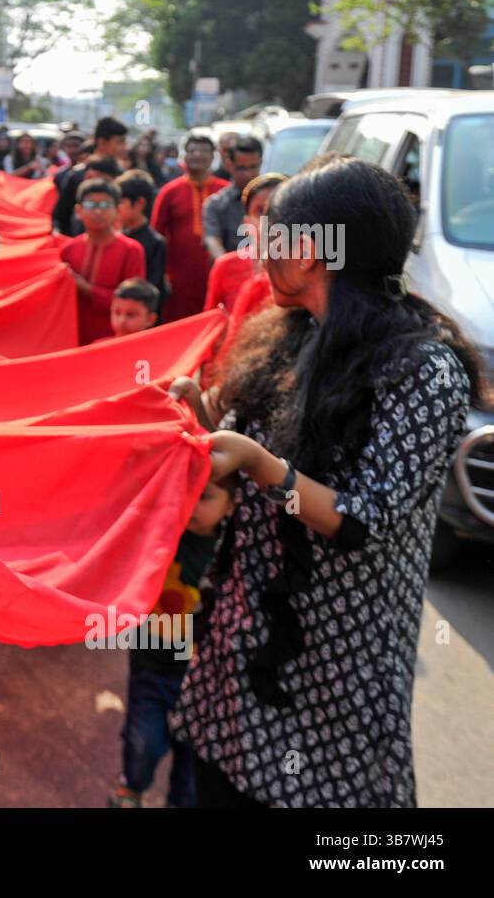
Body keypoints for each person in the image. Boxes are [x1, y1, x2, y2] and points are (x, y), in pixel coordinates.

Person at [168, 154, 485, 807]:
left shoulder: (424, 368)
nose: (258, 252)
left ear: (310, 250)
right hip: (238, 648)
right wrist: (198, 422)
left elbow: (360, 520)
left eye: (271, 236)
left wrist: (258, 463)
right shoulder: (287, 336)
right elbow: (230, 478)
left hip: (334, 677)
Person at [108, 472, 235, 808]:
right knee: (143, 742)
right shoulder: (166, 531)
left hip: (203, 680)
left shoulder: (232, 552)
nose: (192, 503)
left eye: (205, 497)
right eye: (188, 491)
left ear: (232, 504)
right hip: (152, 663)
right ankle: (131, 786)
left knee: (192, 764)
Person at [59, 178, 146, 346]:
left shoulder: (131, 250)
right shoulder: (67, 249)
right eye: (91, 205)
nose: (98, 212)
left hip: (113, 341)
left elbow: (133, 303)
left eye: (105, 205)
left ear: (118, 210)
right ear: (79, 211)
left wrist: (86, 288)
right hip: (71, 337)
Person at [150, 135, 227, 322]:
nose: (197, 155)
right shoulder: (169, 191)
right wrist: (162, 273)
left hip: (216, 271)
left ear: (213, 156)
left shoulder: (225, 191)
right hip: (178, 276)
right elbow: (156, 235)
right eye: (191, 151)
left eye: (203, 151)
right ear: (183, 156)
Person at [204, 172, 285, 312]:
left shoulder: (304, 266)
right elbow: (211, 323)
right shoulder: (224, 267)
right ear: (247, 223)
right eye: (260, 211)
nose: (269, 218)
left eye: (277, 209)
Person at [53, 116, 128, 235]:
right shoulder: (76, 176)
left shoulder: (124, 177)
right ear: (102, 142)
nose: (125, 148)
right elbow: (61, 217)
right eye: (119, 142)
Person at [203, 135, 262, 260]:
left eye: (253, 167)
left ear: (261, 162)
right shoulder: (216, 204)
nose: (248, 174)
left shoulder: (273, 199)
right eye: (241, 168)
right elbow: (212, 241)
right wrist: (226, 265)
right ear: (229, 165)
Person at [115, 169, 168, 304]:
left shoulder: (156, 242)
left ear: (139, 203)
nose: (116, 208)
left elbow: (152, 288)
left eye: (120, 202)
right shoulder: (118, 236)